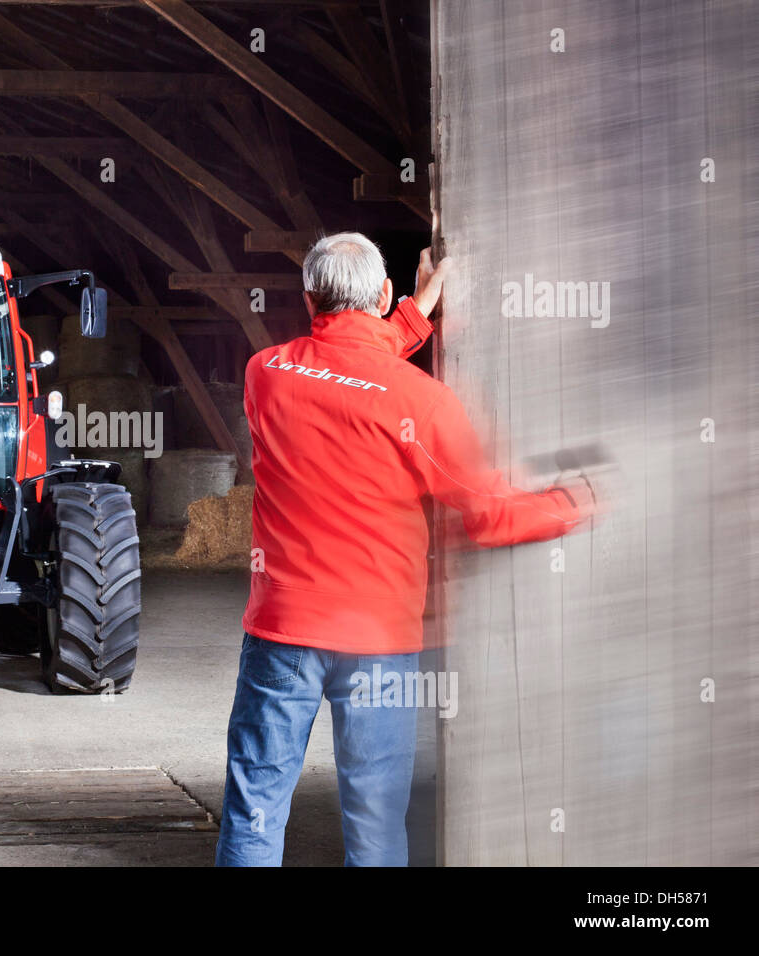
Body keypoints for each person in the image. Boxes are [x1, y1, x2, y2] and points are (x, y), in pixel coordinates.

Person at [215, 233, 597, 867]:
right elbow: (490, 514)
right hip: (378, 642)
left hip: (282, 632)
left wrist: (411, 315)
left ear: (309, 297)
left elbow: (344, 366)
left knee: (255, 805)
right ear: (384, 293)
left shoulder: (267, 373)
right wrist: (575, 503)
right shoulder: (421, 401)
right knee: (376, 824)